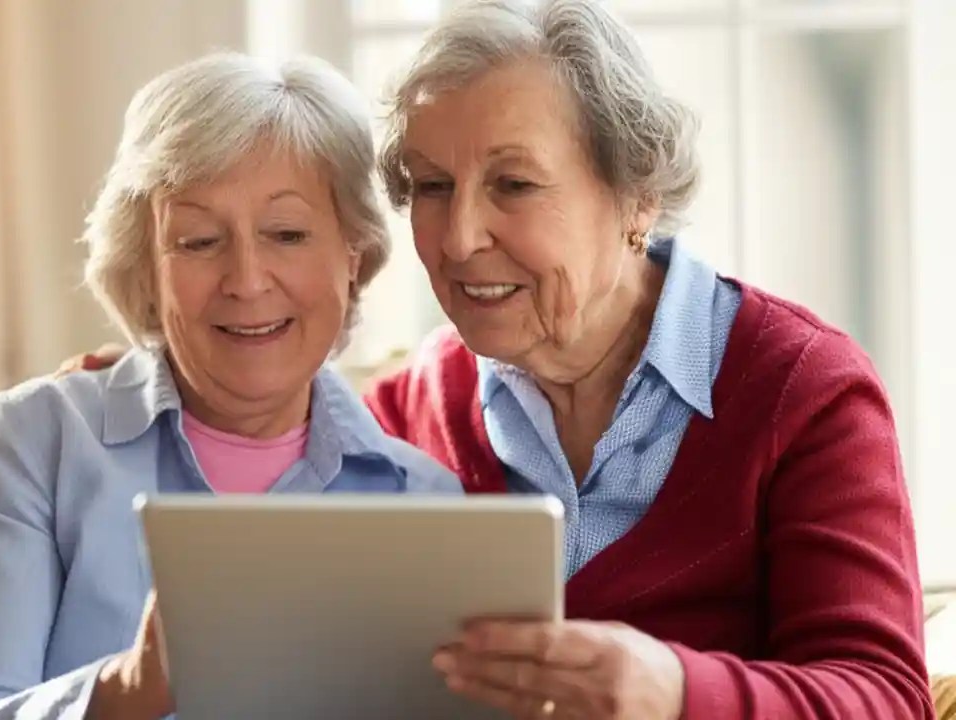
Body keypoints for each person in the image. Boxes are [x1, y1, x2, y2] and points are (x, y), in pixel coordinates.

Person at [63, 1, 934, 718]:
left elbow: (885, 697)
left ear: (636, 197)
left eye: (513, 185)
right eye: (432, 188)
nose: (460, 237)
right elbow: (278, 428)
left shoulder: (805, 393)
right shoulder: (415, 410)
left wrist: (676, 691)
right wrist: (163, 378)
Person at [0, 52, 461, 720]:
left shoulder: (421, 500)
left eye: (287, 233)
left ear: (352, 257)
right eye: (196, 241)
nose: (246, 280)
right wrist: (124, 691)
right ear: (146, 269)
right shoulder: (39, 443)